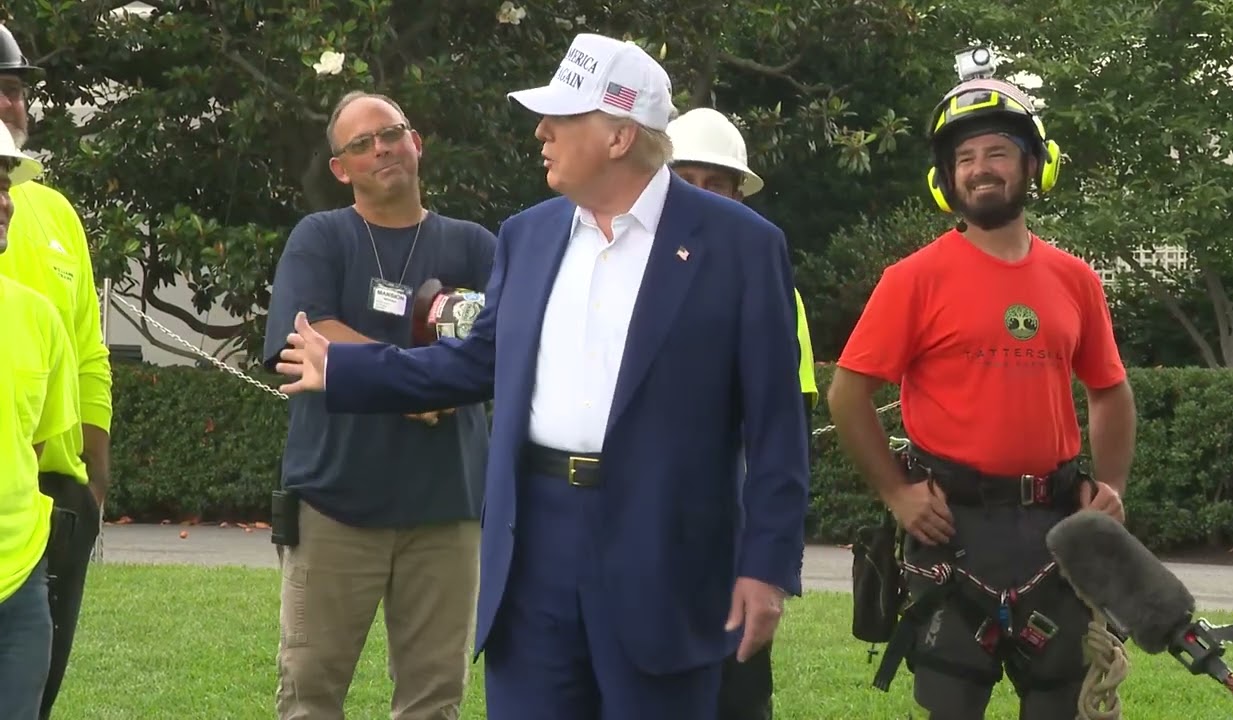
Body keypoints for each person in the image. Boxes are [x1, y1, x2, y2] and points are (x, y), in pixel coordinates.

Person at [274, 33, 811, 720]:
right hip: (533, 548)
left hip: (665, 554)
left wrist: (767, 566)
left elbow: (776, 426)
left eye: (562, 116)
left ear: (619, 136)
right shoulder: (529, 235)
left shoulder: (740, 244)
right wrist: (347, 369)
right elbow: (477, 361)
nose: (541, 131)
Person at [826, 76, 1135, 720]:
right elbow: (848, 394)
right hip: (952, 531)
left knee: (1061, 703)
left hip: (1055, 529)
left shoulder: (1075, 279)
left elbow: (1109, 391)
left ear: (1034, 164)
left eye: (996, 152)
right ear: (946, 180)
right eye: (963, 158)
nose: (979, 168)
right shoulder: (913, 279)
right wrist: (896, 493)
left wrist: (1110, 488)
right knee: (951, 703)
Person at [260, 90, 495, 720]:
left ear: (416, 142)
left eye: (391, 133)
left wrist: (401, 380)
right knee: (310, 692)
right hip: (336, 503)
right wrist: (417, 385)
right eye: (361, 144)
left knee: (434, 698)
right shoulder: (321, 237)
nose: (381, 149)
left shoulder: (476, 246)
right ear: (341, 169)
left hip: (445, 506)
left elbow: (505, 347)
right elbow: (308, 336)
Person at [666, 105, 817, 720]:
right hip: (626, 534)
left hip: (723, 537)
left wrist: (765, 560)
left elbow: (782, 440)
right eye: (685, 181)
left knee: (735, 696)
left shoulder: (772, 289)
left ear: (739, 196)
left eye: (717, 184)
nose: (701, 197)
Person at [0, 24, 114, 719]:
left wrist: (93, 484)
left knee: (33, 697)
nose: (6, 103)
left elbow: (90, 353)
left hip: (58, 498)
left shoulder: (54, 212)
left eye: (13, 90)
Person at [0, 118, 80, 720]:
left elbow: (31, 448)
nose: (5, 202)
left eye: (5, 186)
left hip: (21, 581)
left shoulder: (38, 318)